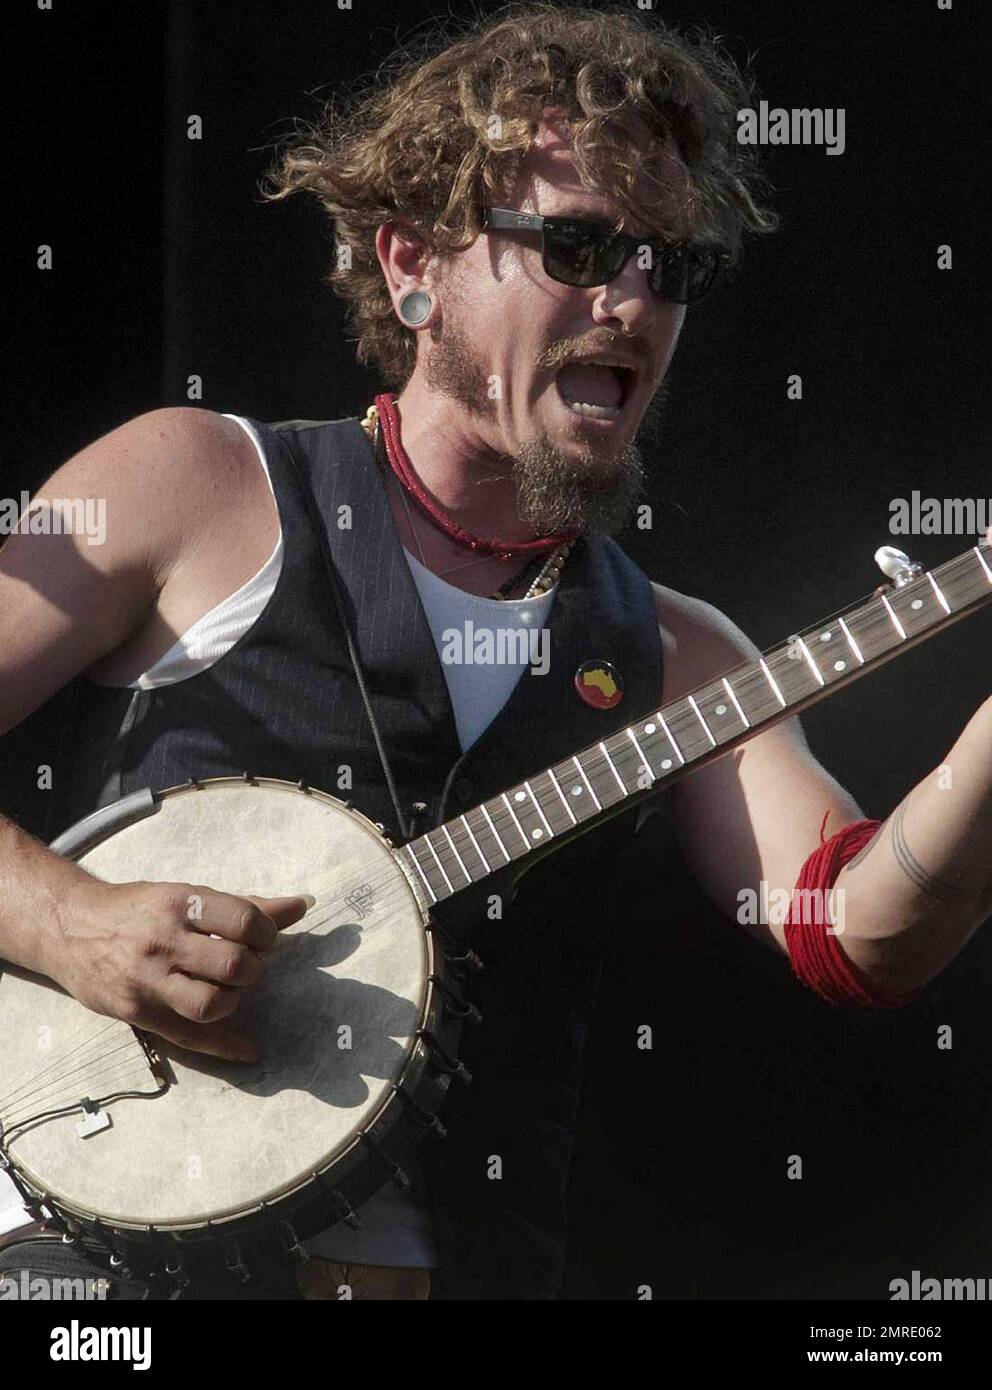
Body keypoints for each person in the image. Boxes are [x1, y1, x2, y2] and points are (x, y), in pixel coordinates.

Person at [2, 2, 991, 1301]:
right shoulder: (194, 485)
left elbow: (860, 930)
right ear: (413, 265)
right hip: (95, 1258)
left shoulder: (673, 649)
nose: (632, 297)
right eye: (577, 245)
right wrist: (72, 921)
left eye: (668, 264)